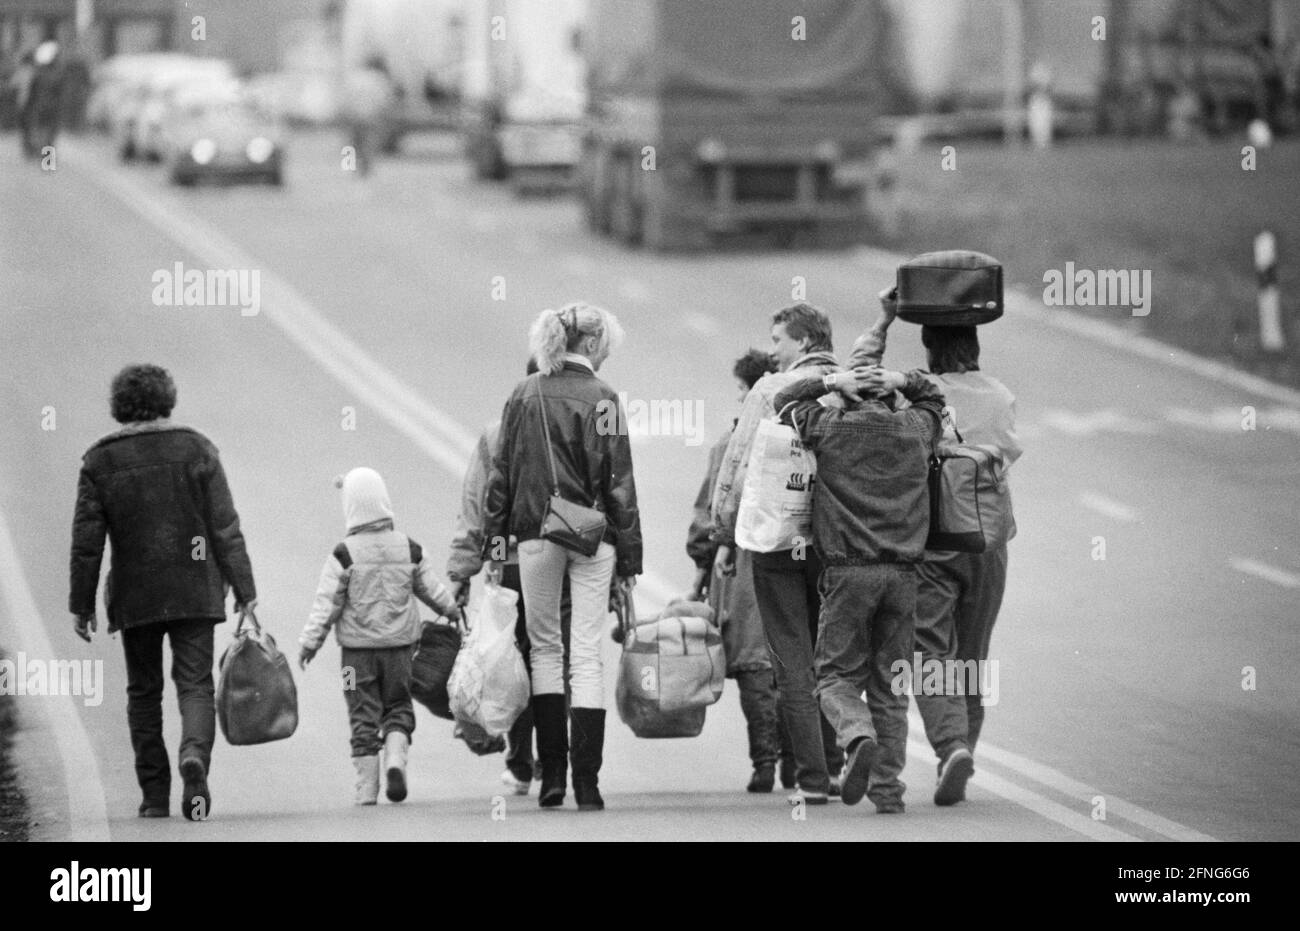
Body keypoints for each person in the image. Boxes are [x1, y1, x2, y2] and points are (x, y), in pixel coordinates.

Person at [844, 287, 1022, 806]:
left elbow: (858, 382)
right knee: (973, 653)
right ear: (975, 346)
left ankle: (949, 748)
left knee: (929, 654)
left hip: (932, 539)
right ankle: (962, 746)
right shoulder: (1001, 395)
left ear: (927, 349)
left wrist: (882, 320)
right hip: (988, 541)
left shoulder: (911, 397)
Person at [69, 364, 257, 821]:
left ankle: (154, 796)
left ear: (120, 405)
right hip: (195, 589)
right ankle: (194, 757)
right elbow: (225, 527)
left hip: (137, 594)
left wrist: (81, 602)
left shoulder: (99, 462)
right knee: (194, 685)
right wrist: (245, 590)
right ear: (167, 399)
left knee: (143, 692)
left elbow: (87, 539)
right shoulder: (196, 448)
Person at [483, 302, 642, 811]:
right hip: (592, 536)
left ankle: (551, 777)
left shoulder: (523, 394)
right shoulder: (604, 397)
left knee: (545, 649)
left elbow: (500, 475)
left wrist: (494, 544)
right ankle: (588, 783)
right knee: (587, 655)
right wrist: (630, 557)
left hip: (534, 533)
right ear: (591, 345)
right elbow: (619, 483)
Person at [773, 361, 946, 813]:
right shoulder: (915, 429)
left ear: (849, 398)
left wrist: (831, 382)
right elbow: (935, 399)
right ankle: (887, 792)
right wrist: (903, 380)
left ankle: (856, 735)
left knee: (833, 678)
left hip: (849, 572)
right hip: (904, 575)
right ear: (890, 398)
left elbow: (785, 400)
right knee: (891, 687)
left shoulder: (829, 426)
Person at [709, 303, 845, 805]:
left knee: (791, 659)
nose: (773, 350)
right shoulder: (856, 387)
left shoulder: (769, 390)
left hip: (778, 545)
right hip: (838, 545)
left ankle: (811, 779)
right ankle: (835, 766)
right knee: (831, 656)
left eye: (779, 339)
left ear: (805, 342)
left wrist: (723, 536)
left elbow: (736, 468)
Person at [299, 467, 464, 806]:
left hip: (353, 660)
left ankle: (365, 789)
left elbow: (326, 605)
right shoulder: (409, 548)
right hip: (401, 653)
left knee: (360, 710)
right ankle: (395, 760)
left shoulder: (343, 554)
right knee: (398, 706)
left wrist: (310, 642)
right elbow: (432, 591)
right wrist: (453, 611)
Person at [447, 359, 571, 797]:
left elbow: (480, 505)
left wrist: (474, 568)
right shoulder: (582, 422)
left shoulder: (499, 431)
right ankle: (557, 767)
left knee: (512, 663)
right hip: (567, 562)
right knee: (556, 659)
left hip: (515, 564)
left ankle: (521, 764)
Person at [687, 349, 782, 792]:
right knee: (802, 666)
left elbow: (706, 521)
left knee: (754, 664)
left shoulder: (729, 447)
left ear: (749, 391)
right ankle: (809, 765)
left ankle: (765, 763)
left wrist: (702, 566)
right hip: (801, 562)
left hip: (744, 567)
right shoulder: (805, 435)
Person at [20, 40, 64, 159]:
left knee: (41, 130)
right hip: (50, 107)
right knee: (48, 133)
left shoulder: (38, 73)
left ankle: (39, 154)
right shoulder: (58, 73)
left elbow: (32, 93)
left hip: (40, 106)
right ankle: (47, 161)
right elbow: (61, 93)